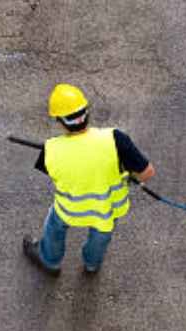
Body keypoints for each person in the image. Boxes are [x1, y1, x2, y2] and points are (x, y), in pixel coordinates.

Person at [23, 83, 156, 275]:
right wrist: (126, 175)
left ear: (59, 120)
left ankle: (50, 261)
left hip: (70, 208)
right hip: (106, 208)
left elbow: (55, 173)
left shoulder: (50, 149)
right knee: (101, 233)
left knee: (54, 225)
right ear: (86, 112)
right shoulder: (115, 139)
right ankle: (92, 264)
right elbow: (147, 172)